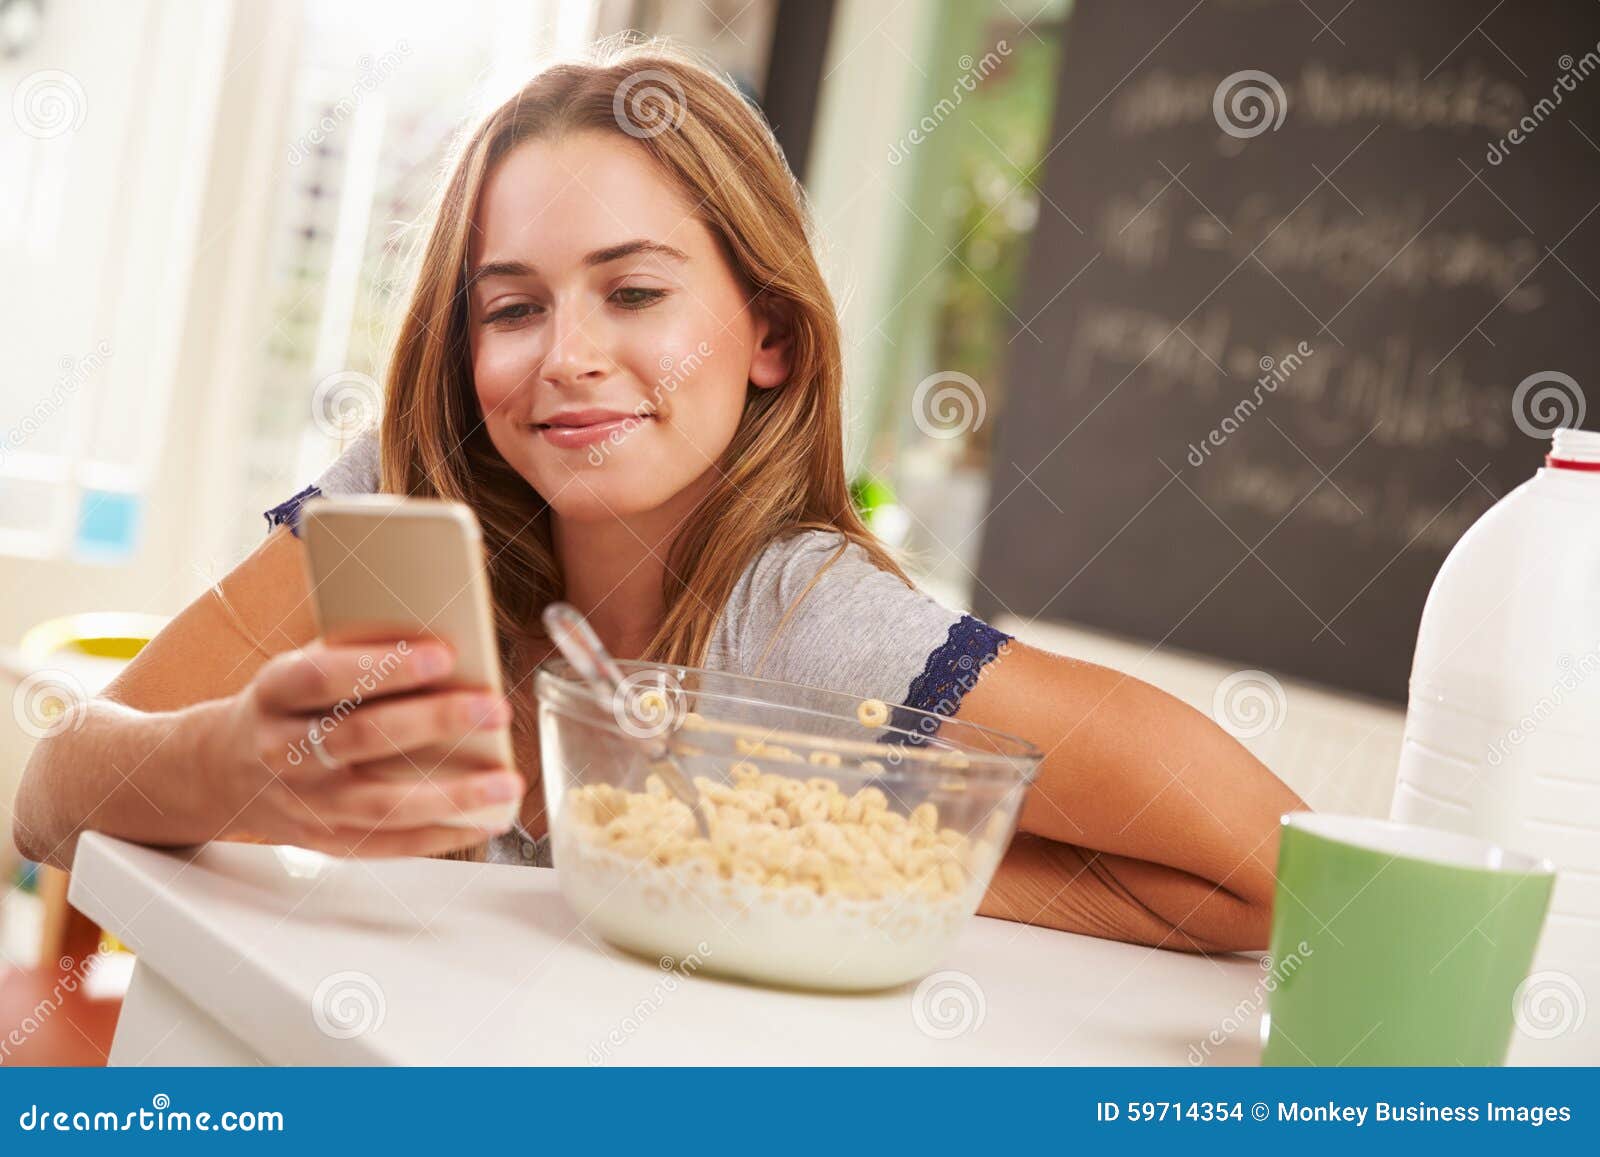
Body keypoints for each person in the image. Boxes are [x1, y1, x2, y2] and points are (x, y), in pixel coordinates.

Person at [13, 39, 1305, 953]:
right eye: (511, 306)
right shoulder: (407, 502)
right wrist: (235, 762)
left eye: (634, 292)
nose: (565, 353)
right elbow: (50, 796)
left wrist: (803, 849)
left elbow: (1285, 873)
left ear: (770, 338)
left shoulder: (802, 625)